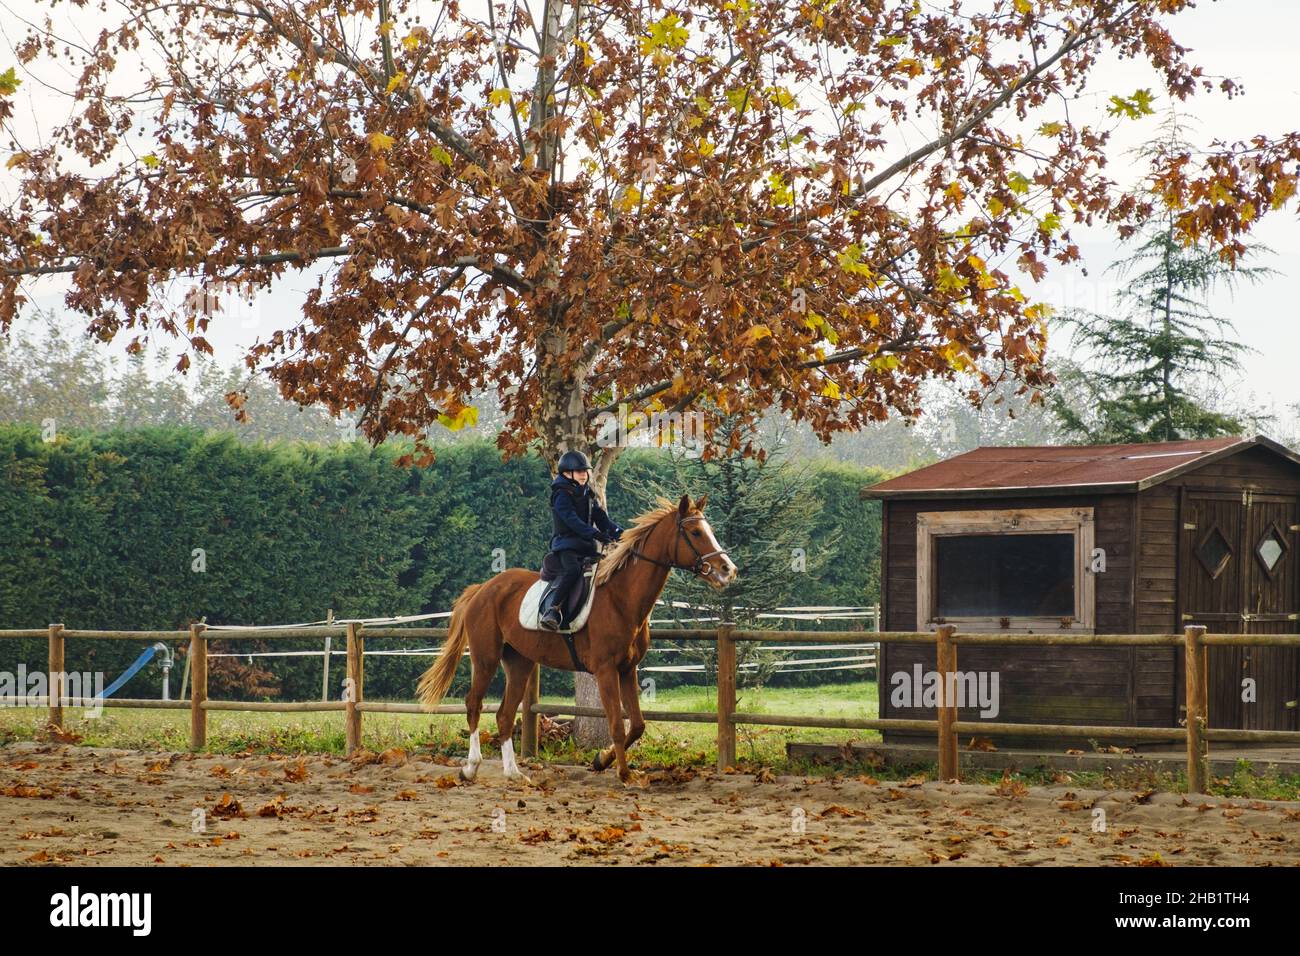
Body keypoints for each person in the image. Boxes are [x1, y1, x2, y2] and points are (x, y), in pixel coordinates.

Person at [539, 450, 624, 631]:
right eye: (579, 472)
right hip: (566, 546)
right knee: (572, 570)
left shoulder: (588, 494)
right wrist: (594, 534)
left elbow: (603, 520)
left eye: (585, 472)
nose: (584, 475)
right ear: (566, 473)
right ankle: (553, 610)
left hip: (586, 547)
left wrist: (622, 535)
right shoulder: (561, 494)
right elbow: (571, 520)